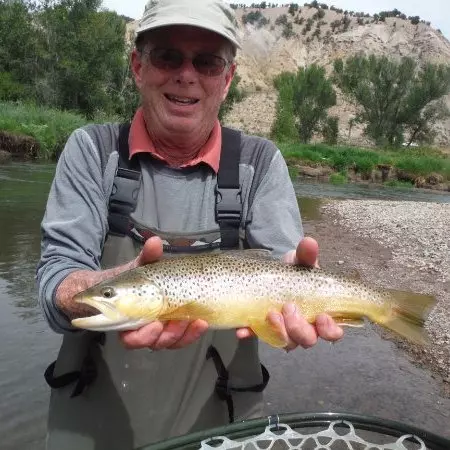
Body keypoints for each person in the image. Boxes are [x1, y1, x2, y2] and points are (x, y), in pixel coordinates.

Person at [36, 1, 343, 449]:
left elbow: (284, 260)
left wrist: (297, 293)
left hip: (222, 427)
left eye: (206, 61)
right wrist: (93, 291)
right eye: (167, 57)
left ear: (227, 78)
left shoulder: (260, 163)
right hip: (90, 425)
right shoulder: (91, 150)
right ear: (138, 66)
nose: (186, 74)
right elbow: (56, 280)